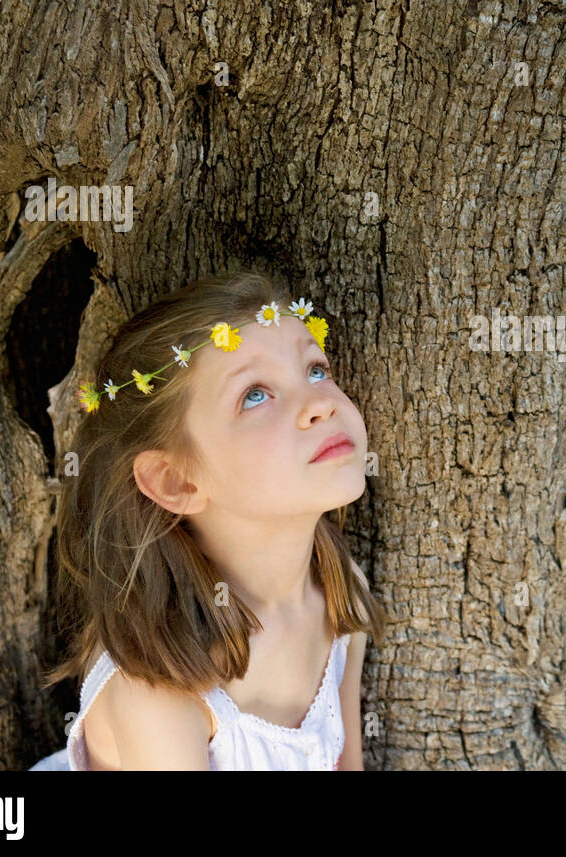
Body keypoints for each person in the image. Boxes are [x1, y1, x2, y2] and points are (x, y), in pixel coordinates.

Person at [30, 270, 385, 770]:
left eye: (316, 370)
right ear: (177, 482)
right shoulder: (160, 690)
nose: (321, 404)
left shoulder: (341, 593)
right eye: (255, 395)